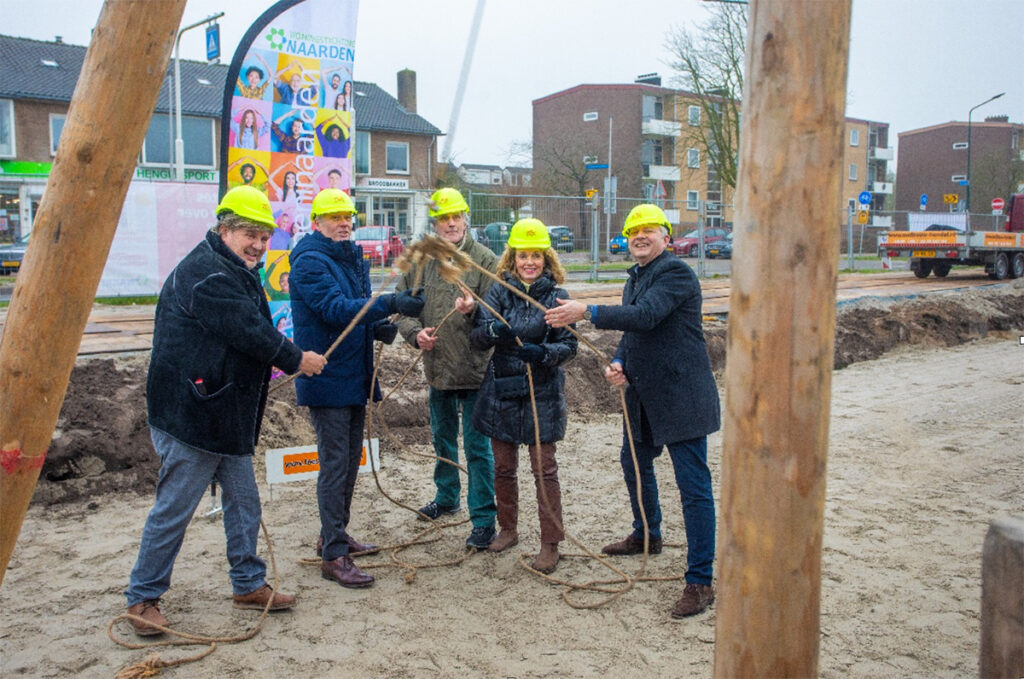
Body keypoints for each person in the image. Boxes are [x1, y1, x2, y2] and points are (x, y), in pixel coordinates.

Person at [123, 186, 327, 636]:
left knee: (244, 501)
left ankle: (248, 583)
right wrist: (298, 360)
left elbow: (250, 331)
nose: (258, 244)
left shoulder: (231, 267)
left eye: (264, 236)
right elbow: (251, 331)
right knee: (174, 508)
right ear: (225, 228)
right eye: (249, 234)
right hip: (192, 414)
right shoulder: (207, 274)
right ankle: (142, 597)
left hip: (223, 410)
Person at [545, 203, 721, 618]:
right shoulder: (637, 276)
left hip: (681, 398)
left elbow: (647, 315)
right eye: (633, 231)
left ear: (666, 237)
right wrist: (621, 361)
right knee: (634, 464)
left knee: (693, 488)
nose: (639, 236)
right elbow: (633, 331)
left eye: (648, 230)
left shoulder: (675, 273)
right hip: (643, 396)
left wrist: (586, 310)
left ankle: (700, 581)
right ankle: (647, 535)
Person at [289, 188, 425, 588]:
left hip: (353, 373)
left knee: (349, 461)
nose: (344, 222)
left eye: (348, 216)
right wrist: (391, 305)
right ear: (317, 222)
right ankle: (333, 554)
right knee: (335, 465)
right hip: (328, 378)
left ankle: (334, 534)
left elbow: (354, 310)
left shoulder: (348, 257)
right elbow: (334, 310)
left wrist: (379, 328)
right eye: (334, 217)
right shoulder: (310, 262)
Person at [468, 219, 577, 573]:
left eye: (535, 255)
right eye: (522, 255)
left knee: (544, 469)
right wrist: (492, 330)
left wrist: (544, 354)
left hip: (540, 392)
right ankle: (508, 529)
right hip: (501, 390)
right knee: (503, 467)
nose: (528, 262)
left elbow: (569, 345)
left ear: (546, 258)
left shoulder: (557, 296)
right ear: (512, 258)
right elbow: (477, 336)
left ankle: (550, 542)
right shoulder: (499, 290)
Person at [394, 187, 499, 550]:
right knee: (442, 440)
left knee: (477, 447)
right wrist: (413, 334)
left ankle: (484, 518)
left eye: (456, 217)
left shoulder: (485, 259)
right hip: (437, 369)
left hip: (476, 371)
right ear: (435, 222)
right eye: (443, 218)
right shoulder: (419, 261)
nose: (450, 224)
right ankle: (447, 497)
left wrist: (476, 312)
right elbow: (400, 308)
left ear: (466, 219)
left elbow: (500, 317)